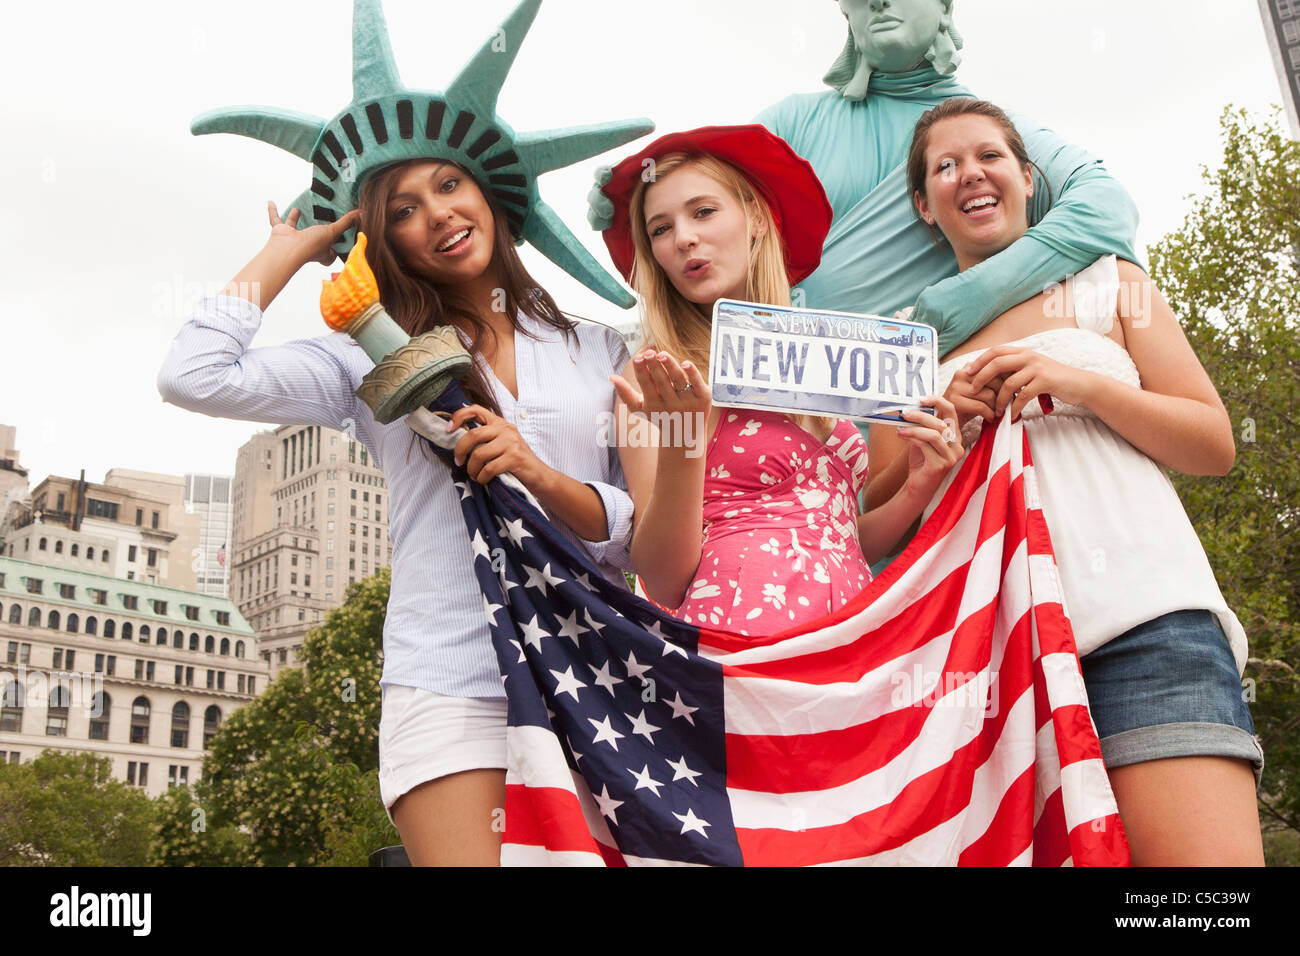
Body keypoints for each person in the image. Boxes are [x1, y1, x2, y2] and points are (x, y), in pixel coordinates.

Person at [158, 0, 653, 865]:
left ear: (489, 193)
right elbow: (193, 374)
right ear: (382, 240)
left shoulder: (599, 350)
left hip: (590, 668)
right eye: (402, 210)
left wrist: (539, 475)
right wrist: (288, 248)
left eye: (449, 185)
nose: (436, 214)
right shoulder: (361, 359)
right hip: (447, 678)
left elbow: (638, 531)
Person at [871, 96, 1265, 865]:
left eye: (988, 156)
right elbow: (871, 525)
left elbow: (1214, 443)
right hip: (985, 661)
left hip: (1144, 624)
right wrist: (929, 459)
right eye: (944, 167)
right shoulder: (900, 344)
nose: (969, 174)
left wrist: (1081, 385)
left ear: (1026, 176)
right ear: (924, 204)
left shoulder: (1109, 279)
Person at [596, 126, 963, 636]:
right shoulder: (658, 375)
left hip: (844, 638)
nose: (683, 238)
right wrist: (685, 443)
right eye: (660, 229)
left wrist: (915, 489)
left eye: (703, 211)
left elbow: (840, 536)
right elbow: (660, 580)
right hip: (741, 644)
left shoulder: (819, 361)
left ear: (757, 220)